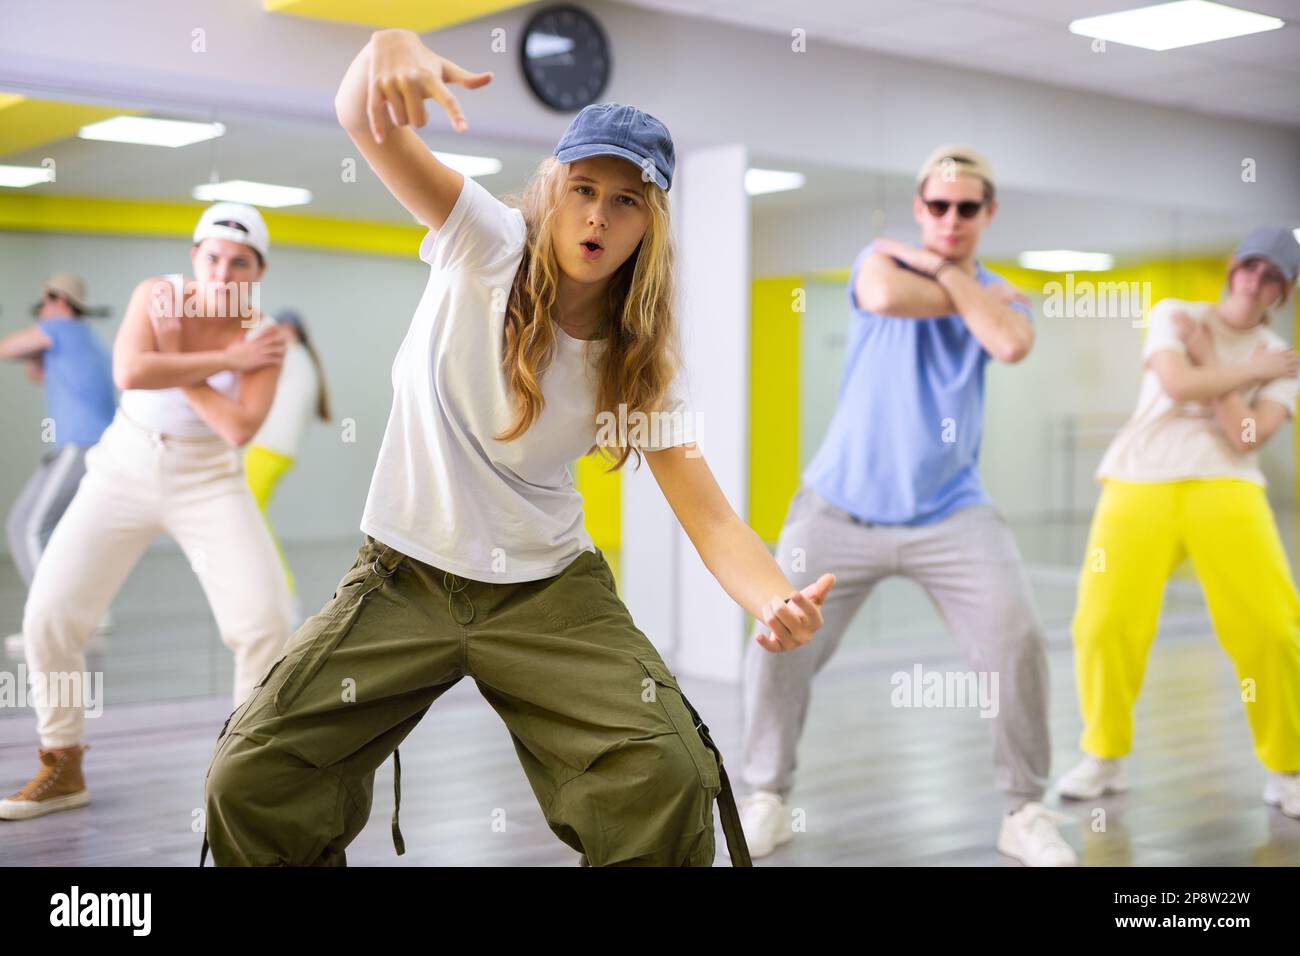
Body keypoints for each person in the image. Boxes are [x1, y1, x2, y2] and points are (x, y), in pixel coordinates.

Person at [203, 27, 835, 867]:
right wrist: (387, 45)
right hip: (404, 575)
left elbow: (712, 520)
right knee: (253, 773)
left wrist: (771, 600)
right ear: (553, 188)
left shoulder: (641, 357)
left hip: (549, 593)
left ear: (651, 222)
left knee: (668, 771)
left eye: (626, 199)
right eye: (584, 188)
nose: (598, 216)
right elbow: (364, 119)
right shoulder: (483, 242)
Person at [739, 145, 1078, 866]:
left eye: (967, 208)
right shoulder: (880, 262)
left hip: (952, 512)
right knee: (775, 640)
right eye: (937, 206)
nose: (951, 219)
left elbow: (1010, 343)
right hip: (837, 506)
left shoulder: (983, 287)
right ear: (920, 208)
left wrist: (954, 278)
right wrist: (971, 290)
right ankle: (766, 796)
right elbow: (892, 298)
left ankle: (1024, 811)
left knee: (1017, 638)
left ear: (989, 213)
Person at [0, 205, 292, 821]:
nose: (223, 271)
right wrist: (222, 363)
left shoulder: (264, 337)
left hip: (209, 478)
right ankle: (63, 763)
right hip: (122, 469)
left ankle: (241, 774)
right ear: (195, 258)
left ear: (258, 270)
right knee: (49, 616)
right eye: (212, 257)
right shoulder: (157, 294)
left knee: (264, 621)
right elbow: (131, 369)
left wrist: (182, 363)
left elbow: (239, 427)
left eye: (240, 262)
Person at [1058, 227, 1300, 820]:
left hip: (1228, 486)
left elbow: (1246, 437)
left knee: (1271, 627)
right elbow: (1176, 383)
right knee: (1102, 623)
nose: (1255, 280)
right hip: (1138, 480)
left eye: (1272, 275)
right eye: (1250, 266)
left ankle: (1288, 767)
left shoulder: (1284, 360)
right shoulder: (1175, 313)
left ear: (1285, 291)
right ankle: (1104, 755)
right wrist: (1241, 376)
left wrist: (1214, 361)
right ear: (1231, 266)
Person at [1, 274, 115, 656]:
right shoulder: (83, 338)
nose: (41, 311)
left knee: (29, 529)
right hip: (89, 447)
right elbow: (37, 374)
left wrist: (31, 340)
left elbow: (7, 348)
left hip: (79, 446)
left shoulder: (59, 327)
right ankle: (88, 614)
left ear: (59, 300)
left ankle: (53, 625)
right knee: (59, 533)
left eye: (44, 302)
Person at [243, 308, 332, 621]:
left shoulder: (289, 355)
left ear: (288, 330)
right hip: (274, 451)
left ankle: (281, 595)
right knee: (251, 519)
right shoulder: (302, 359)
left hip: (266, 450)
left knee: (248, 520)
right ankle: (273, 595)